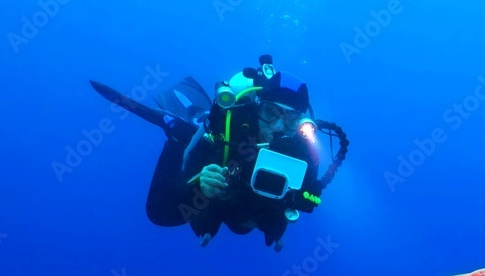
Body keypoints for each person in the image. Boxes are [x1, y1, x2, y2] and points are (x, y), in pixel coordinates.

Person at [92, 55, 348, 251]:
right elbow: (163, 205)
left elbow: (308, 197)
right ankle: (177, 135)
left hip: (251, 209)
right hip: (217, 200)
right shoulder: (230, 127)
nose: (279, 126)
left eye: (291, 119)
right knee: (162, 215)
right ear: (258, 106)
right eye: (271, 113)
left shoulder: (304, 148)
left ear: (302, 122)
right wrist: (201, 181)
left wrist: (306, 198)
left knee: (245, 226)